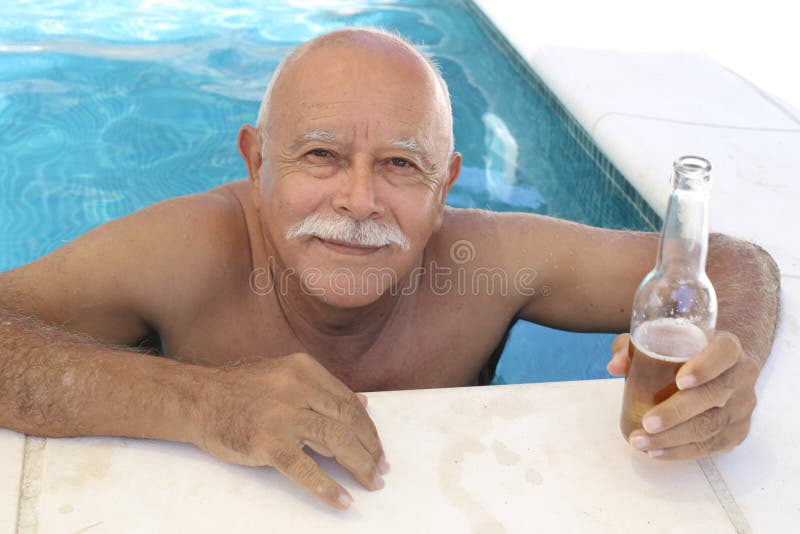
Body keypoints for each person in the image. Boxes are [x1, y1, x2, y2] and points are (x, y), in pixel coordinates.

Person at [0, 28, 780, 511]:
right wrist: (202, 402)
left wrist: (724, 367)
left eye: (402, 165)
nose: (359, 199)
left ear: (445, 186)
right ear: (255, 158)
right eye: (320, 155)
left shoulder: (492, 262)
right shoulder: (188, 252)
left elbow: (739, 264)